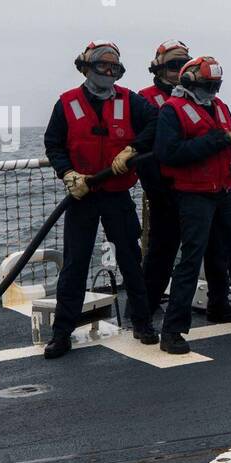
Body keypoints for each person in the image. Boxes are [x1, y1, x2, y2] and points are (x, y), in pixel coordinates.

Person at [42, 41, 159, 359]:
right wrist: (67, 174)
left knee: (130, 262)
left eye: (114, 67)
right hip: (83, 195)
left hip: (117, 195)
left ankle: (143, 323)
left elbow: (155, 124)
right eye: (102, 66)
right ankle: (62, 334)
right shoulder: (66, 103)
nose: (108, 72)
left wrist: (132, 149)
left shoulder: (131, 102)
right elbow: (53, 144)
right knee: (75, 265)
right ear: (85, 68)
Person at [154, 55, 231, 352]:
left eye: (215, 85)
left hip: (224, 189)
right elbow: (168, 154)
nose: (212, 91)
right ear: (189, 82)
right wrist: (216, 141)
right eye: (208, 85)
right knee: (191, 258)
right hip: (194, 193)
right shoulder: (173, 111)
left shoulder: (220, 108)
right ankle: (172, 330)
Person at [138, 40, 231, 323]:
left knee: (216, 249)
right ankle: (145, 310)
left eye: (182, 64)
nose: (177, 70)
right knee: (162, 252)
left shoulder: (207, 102)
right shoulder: (144, 100)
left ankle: (220, 304)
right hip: (164, 191)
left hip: (201, 189)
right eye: (171, 65)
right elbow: (142, 146)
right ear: (158, 68)